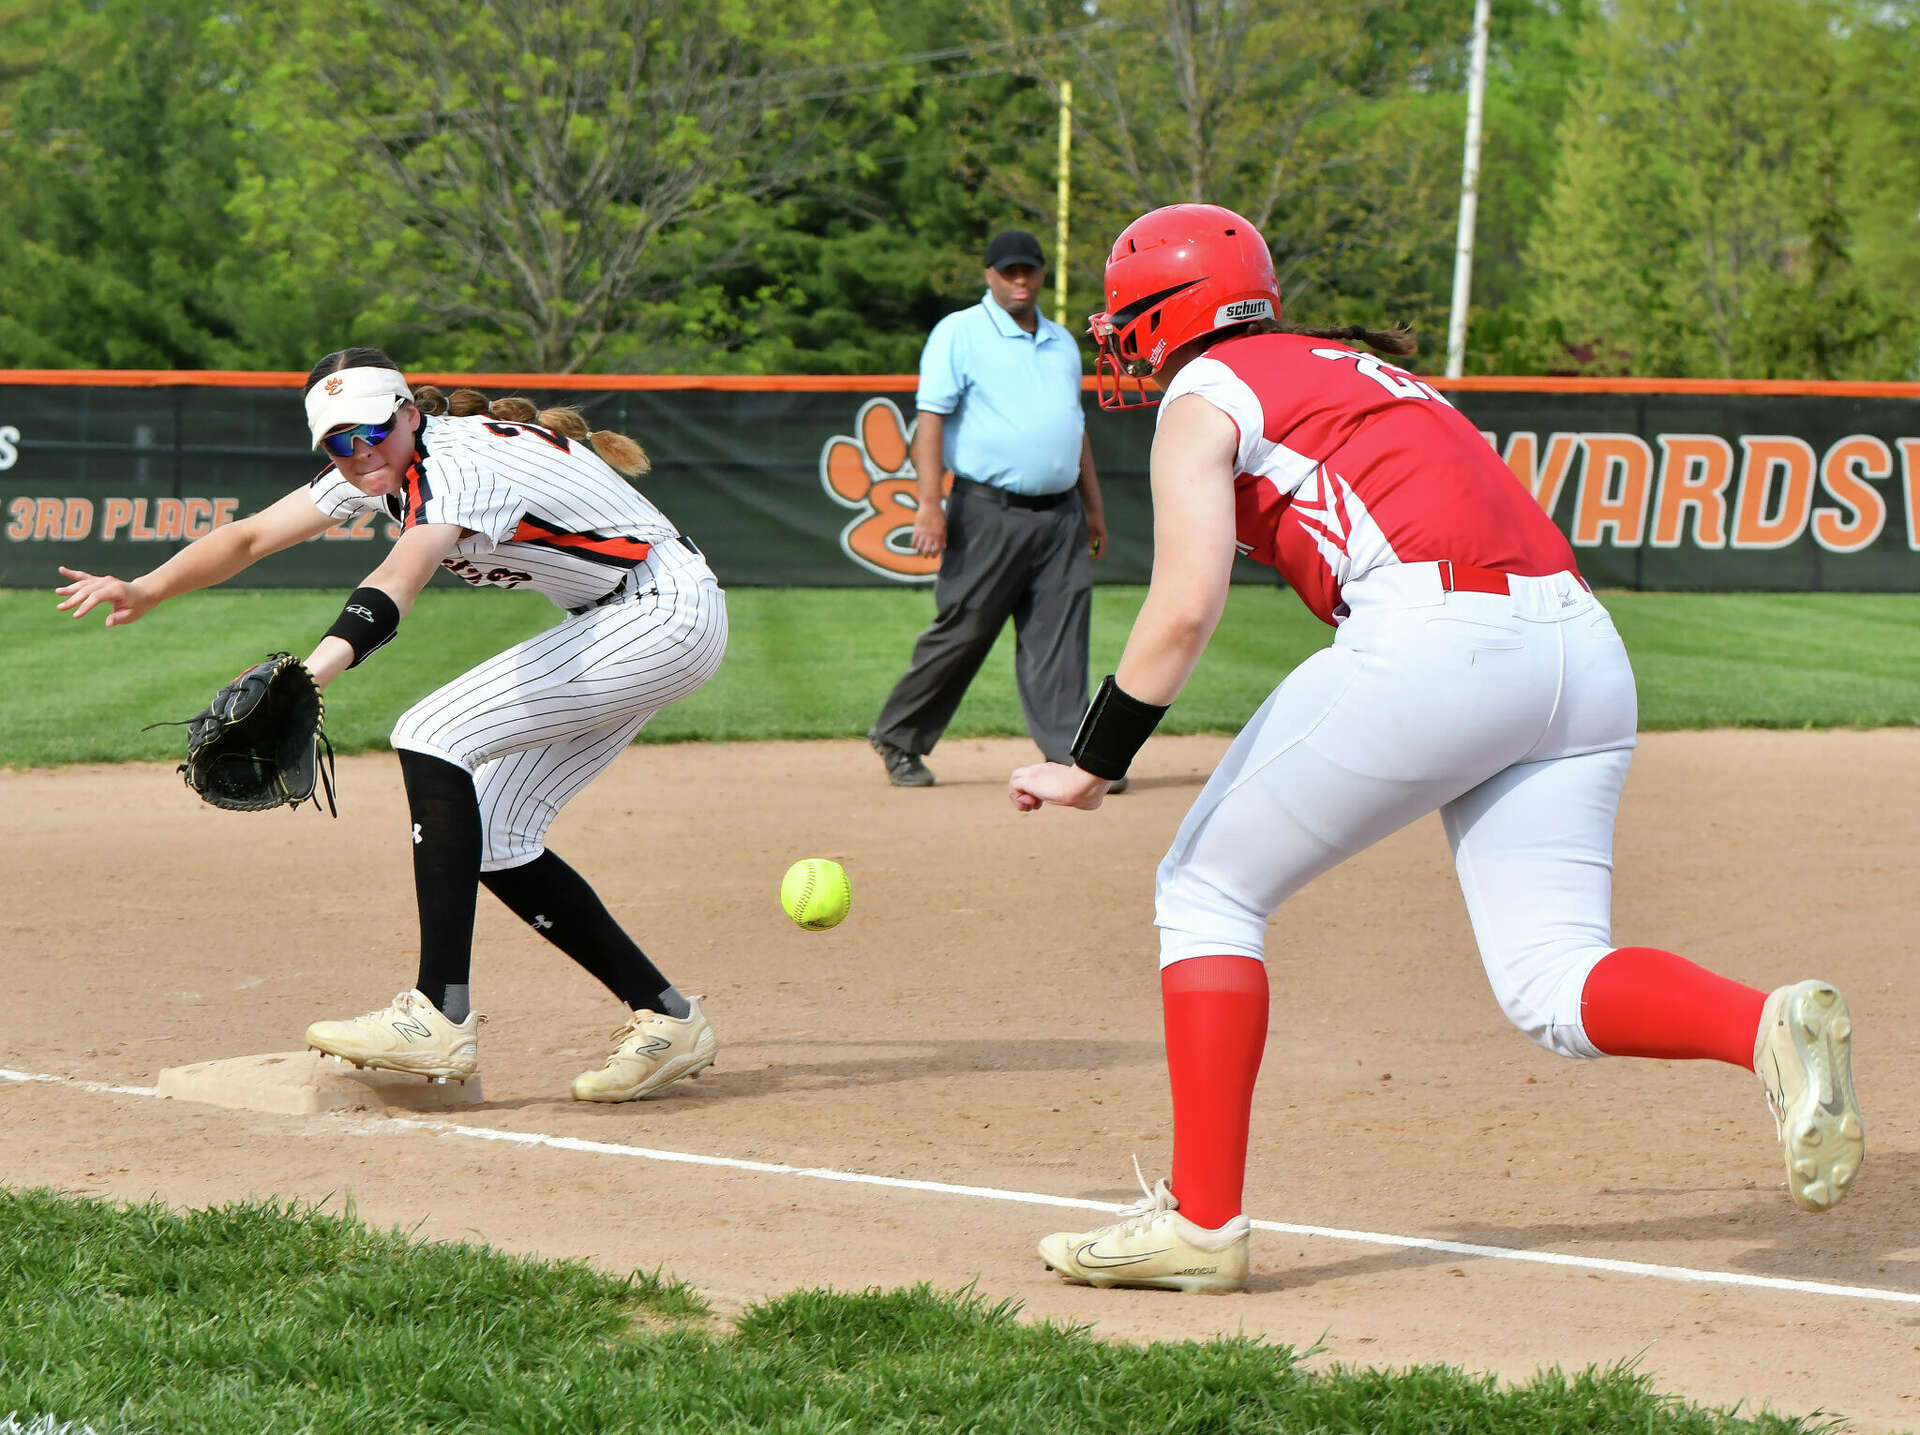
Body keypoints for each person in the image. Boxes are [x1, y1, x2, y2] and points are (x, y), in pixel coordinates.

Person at [1009, 204, 1865, 1293]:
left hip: (1440, 640)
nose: (1118, 340)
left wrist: (1091, 760)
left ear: (1171, 314)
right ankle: (1763, 1023)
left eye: (1128, 317)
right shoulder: (1360, 369)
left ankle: (1203, 1223)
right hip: (1580, 652)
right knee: (1554, 979)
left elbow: (1182, 609)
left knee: (1206, 891)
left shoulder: (1203, 391)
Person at [55, 349, 729, 1101]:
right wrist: (145, 586)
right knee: (499, 834)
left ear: (410, 414)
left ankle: (438, 1011)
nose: (360, 451)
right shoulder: (381, 469)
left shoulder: (457, 464)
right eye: (340, 442)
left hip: (661, 611)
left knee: (431, 732)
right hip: (631, 617)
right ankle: (667, 1018)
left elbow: (396, 581)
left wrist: (309, 676)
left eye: (373, 430)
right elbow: (249, 536)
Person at [868, 228, 1120, 789]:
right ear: (989, 275)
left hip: (1061, 516)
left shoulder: (1059, 342)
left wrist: (1094, 510)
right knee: (963, 628)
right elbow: (930, 421)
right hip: (986, 509)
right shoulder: (959, 332)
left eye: (1029, 269)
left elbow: (1073, 432)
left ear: (1041, 274)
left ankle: (1067, 753)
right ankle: (899, 736)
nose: (1021, 280)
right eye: (1009, 271)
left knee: (1061, 636)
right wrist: (929, 505)